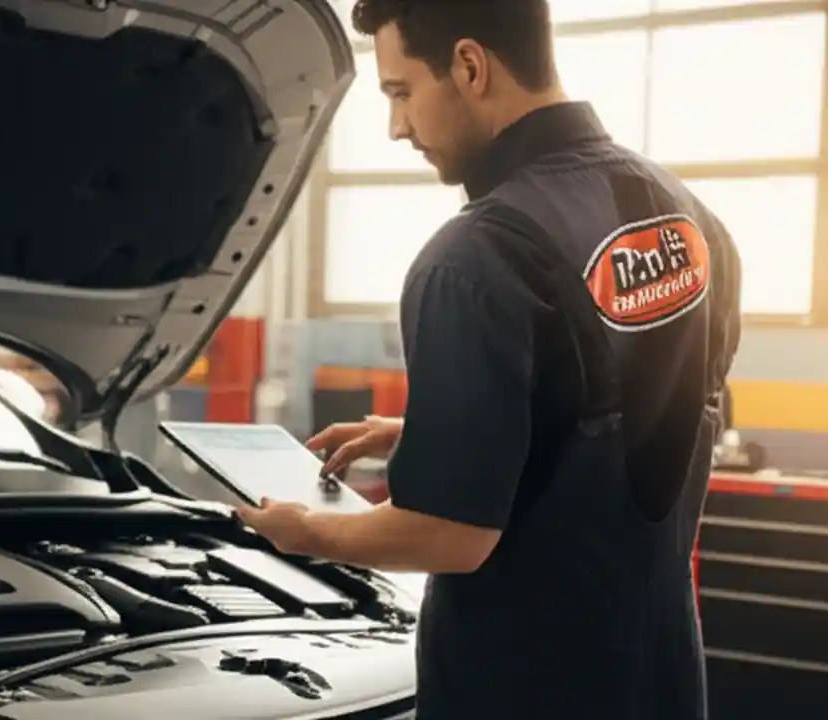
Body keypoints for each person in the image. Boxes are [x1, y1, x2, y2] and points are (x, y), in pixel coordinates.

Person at [235, 1, 742, 718]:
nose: (397, 128)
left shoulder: (473, 259)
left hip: (523, 687)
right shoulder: (691, 220)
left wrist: (303, 531)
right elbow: (643, 422)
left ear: (470, 66)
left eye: (400, 92)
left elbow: (449, 535)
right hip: (657, 678)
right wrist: (434, 436)